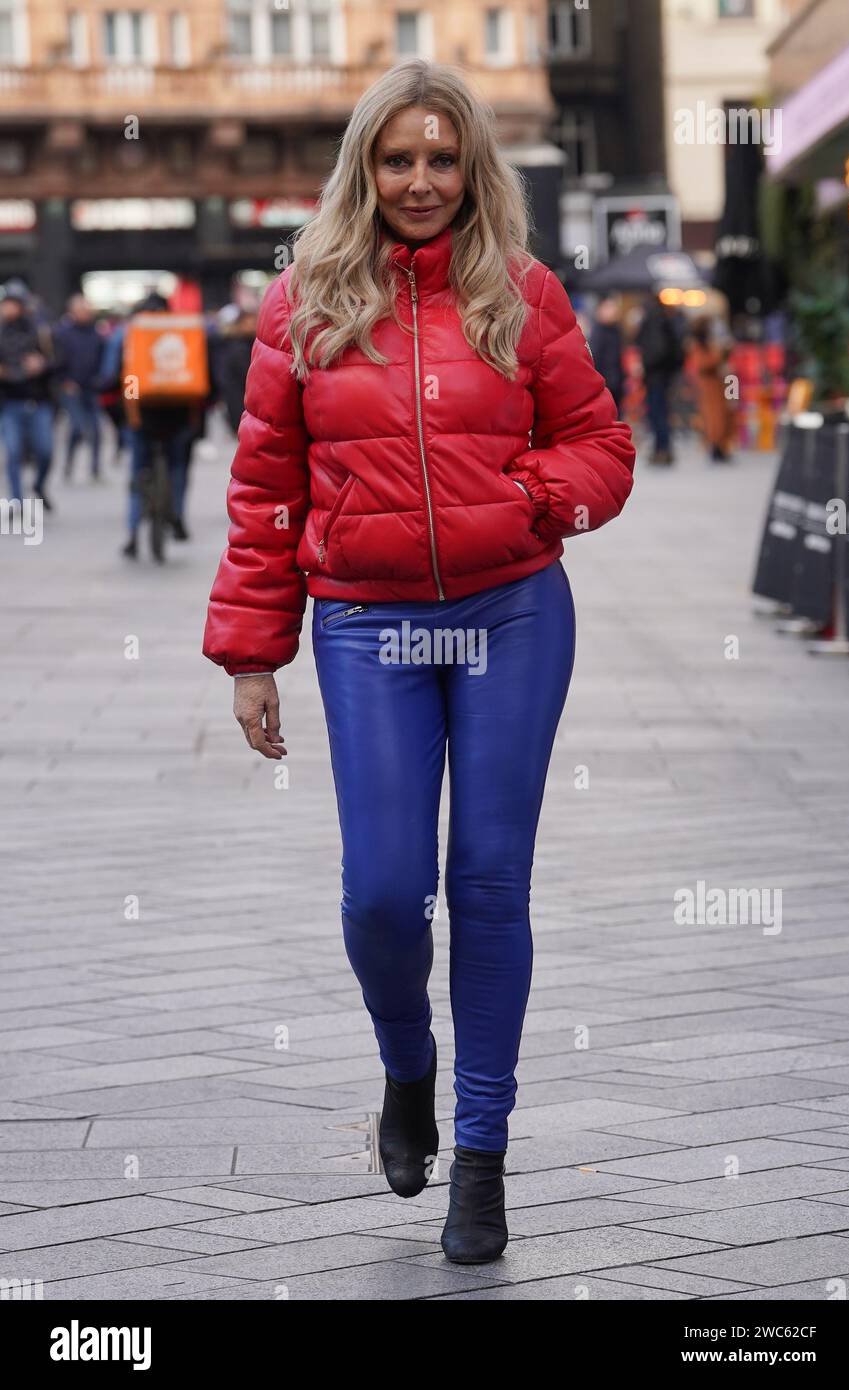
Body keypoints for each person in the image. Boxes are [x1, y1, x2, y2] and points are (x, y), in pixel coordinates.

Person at [202, 59, 636, 1265]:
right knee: (386, 891)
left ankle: (482, 1159)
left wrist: (538, 492)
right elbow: (263, 491)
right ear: (364, 169)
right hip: (366, 624)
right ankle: (408, 1068)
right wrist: (251, 652)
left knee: (489, 884)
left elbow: (600, 439)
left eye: (443, 159)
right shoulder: (302, 304)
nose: (421, 180)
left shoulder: (523, 292)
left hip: (510, 615)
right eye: (399, 159)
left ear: (472, 170)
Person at [120, 292, 208, 559]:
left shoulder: (132, 334)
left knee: (138, 474)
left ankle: (133, 533)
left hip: (143, 418)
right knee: (178, 467)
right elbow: (205, 377)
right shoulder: (187, 332)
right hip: (179, 416)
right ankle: (178, 517)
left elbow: (120, 377)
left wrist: (127, 413)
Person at [0, 280, 57, 508]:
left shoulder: (40, 331)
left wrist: (41, 364)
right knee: (13, 453)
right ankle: (17, 501)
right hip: (9, 403)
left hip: (37, 401)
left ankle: (39, 485)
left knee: (45, 452)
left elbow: (57, 362)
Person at [53, 293, 105, 482]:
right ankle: (68, 462)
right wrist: (65, 380)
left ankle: (95, 469)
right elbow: (56, 361)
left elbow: (102, 359)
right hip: (71, 387)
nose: (86, 313)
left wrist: (101, 380)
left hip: (91, 387)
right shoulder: (62, 333)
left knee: (97, 429)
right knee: (77, 427)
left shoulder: (96, 334)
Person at [636, 294, 685, 464]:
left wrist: (646, 365)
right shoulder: (666, 319)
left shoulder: (652, 320)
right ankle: (663, 449)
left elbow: (654, 349)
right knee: (661, 412)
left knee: (657, 413)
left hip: (655, 376)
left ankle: (662, 450)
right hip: (664, 376)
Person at [689, 316, 736, 462]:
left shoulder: (709, 345)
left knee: (723, 415)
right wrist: (720, 355)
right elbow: (704, 364)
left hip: (718, 385)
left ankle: (721, 446)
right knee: (713, 417)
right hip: (708, 387)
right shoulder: (699, 346)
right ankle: (715, 447)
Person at [214, 304, 258, 434]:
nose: (253, 325)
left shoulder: (247, 344)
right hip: (241, 407)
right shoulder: (238, 347)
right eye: (249, 322)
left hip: (243, 406)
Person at [589, 296, 625, 417]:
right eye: (609, 307)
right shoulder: (598, 332)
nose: (613, 310)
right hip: (604, 383)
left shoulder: (616, 331)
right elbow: (595, 357)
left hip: (616, 383)